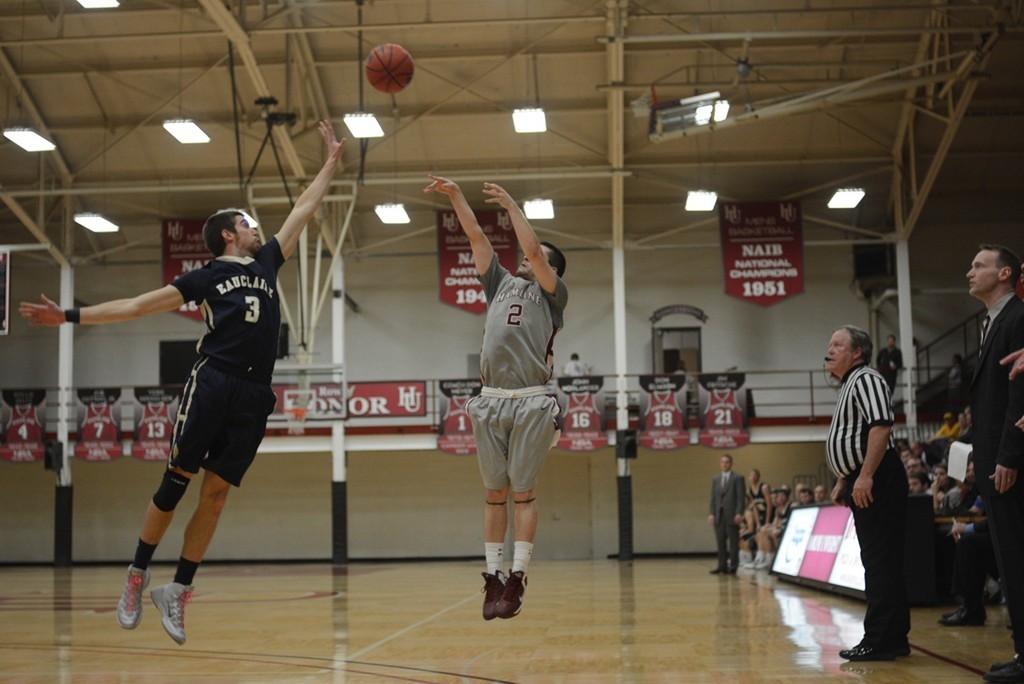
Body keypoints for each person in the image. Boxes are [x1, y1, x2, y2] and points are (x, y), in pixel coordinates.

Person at [19, 120, 346, 646]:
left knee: (215, 496)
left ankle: (178, 590)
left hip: (256, 392)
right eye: (247, 221)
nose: (256, 227)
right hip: (212, 381)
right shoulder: (204, 277)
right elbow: (134, 306)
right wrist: (71, 317)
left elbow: (302, 210)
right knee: (176, 482)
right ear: (226, 234)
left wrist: (329, 165)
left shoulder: (266, 261)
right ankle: (136, 573)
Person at [424, 175, 568, 621]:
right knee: (493, 493)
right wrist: (457, 197)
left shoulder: (553, 294)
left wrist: (512, 206)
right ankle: (493, 577)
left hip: (531, 398)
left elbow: (529, 250)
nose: (528, 258)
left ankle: (519, 576)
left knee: (522, 495)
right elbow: (477, 238)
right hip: (490, 398)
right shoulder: (500, 284)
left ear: (552, 269)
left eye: (539, 256)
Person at [824, 324, 910, 662]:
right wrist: (845, 477)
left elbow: (881, 426)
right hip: (864, 478)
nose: (828, 350)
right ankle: (894, 639)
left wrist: (866, 475)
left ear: (857, 352)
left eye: (837, 344)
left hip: (880, 478)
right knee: (881, 562)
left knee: (879, 563)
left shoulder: (866, 379)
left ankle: (878, 640)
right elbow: (855, 437)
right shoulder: (850, 384)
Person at [965, 244, 1024, 683]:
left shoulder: (1018, 317)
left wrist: (1007, 454)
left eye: (979, 265)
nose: (971, 271)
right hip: (992, 461)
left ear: (1006, 273)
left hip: (1010, 464)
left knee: (1017, 559)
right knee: (1009, 560)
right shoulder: (991, 322)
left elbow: (1019, 396)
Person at [707, 453, 745, 574]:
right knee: (720, 542)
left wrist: (739, 512)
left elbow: (741, 498)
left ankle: (733, 567)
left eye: (727, 462)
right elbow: (713, 498)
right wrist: (712, 513)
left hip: (732, 515)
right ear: (720, 464)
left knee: (733, 543)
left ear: (731, 463)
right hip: (719, 515)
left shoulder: (738, 478)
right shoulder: (716, 479)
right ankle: (721, 565)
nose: (725, 464)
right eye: (722, 462)